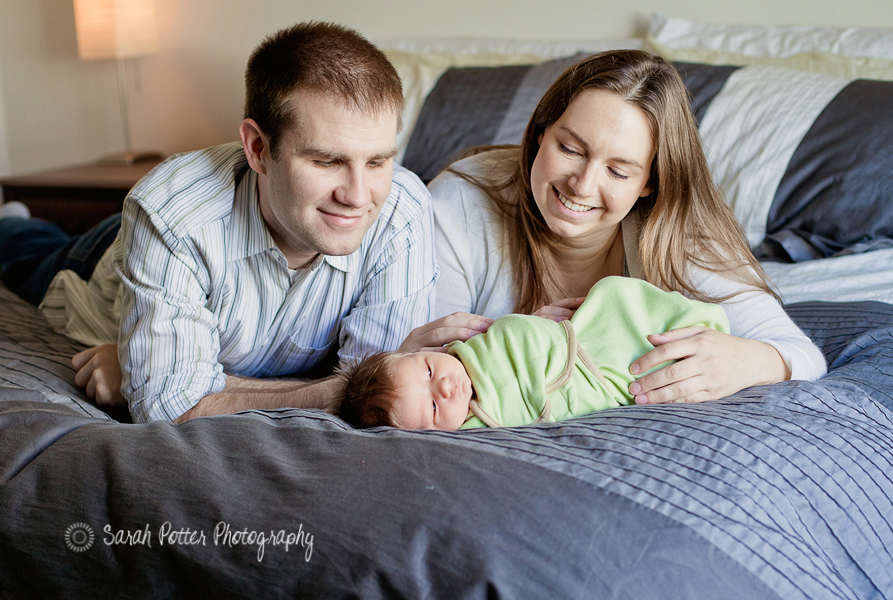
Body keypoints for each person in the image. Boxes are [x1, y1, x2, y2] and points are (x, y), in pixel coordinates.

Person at [0, 22, 443, 423]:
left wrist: (143, 369)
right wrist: (157, 379)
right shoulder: (171, 214)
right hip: (100, 263)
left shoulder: (403, 215)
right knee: (22, 246)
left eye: (379, 161)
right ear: (257, 148)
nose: (358, 196)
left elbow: (370, 395)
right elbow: (169, 407)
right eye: (327, 161)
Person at [403, 49, 826, 405]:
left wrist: (747, 361)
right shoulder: (462, 199)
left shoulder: (681, 234)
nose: (582, 185)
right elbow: (423, 375)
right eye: (570, 148)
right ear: (539, 133)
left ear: (649, 183)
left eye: (619, 172)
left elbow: (801, 355)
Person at [339, 276, 730, 430]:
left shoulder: (483, 344)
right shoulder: (476, 430)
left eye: (427, 370)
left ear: (433, 350)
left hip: (580, 344)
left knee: (617, 298)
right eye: (436, 411)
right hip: (585, 388)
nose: (443, 387)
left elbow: (521, 339)